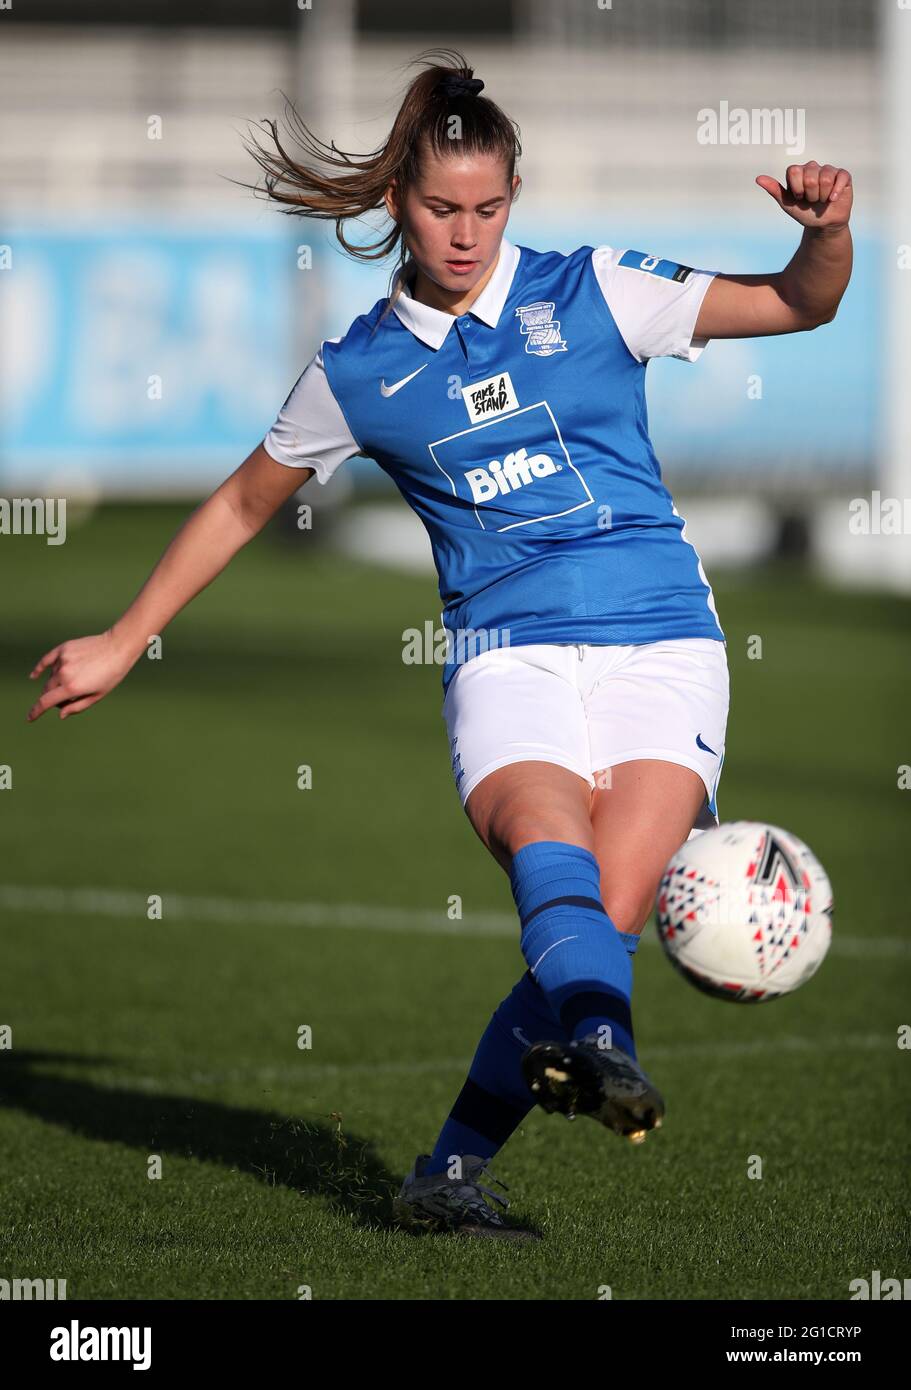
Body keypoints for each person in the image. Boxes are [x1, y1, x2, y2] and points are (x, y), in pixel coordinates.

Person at [26, 49, 852, 1239]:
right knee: (546, 852)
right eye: (439, 207)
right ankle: (602, 1052)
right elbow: (240, 503)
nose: (464, 233)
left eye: (488, 207)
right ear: (395, 203)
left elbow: (798, 301)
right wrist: (121, 636)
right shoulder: (360, 370)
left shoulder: (596, 289)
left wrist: (825, 233)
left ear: (513, 194)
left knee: (604, 913)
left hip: (662, 640)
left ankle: (452, 1170)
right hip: (505, 653)